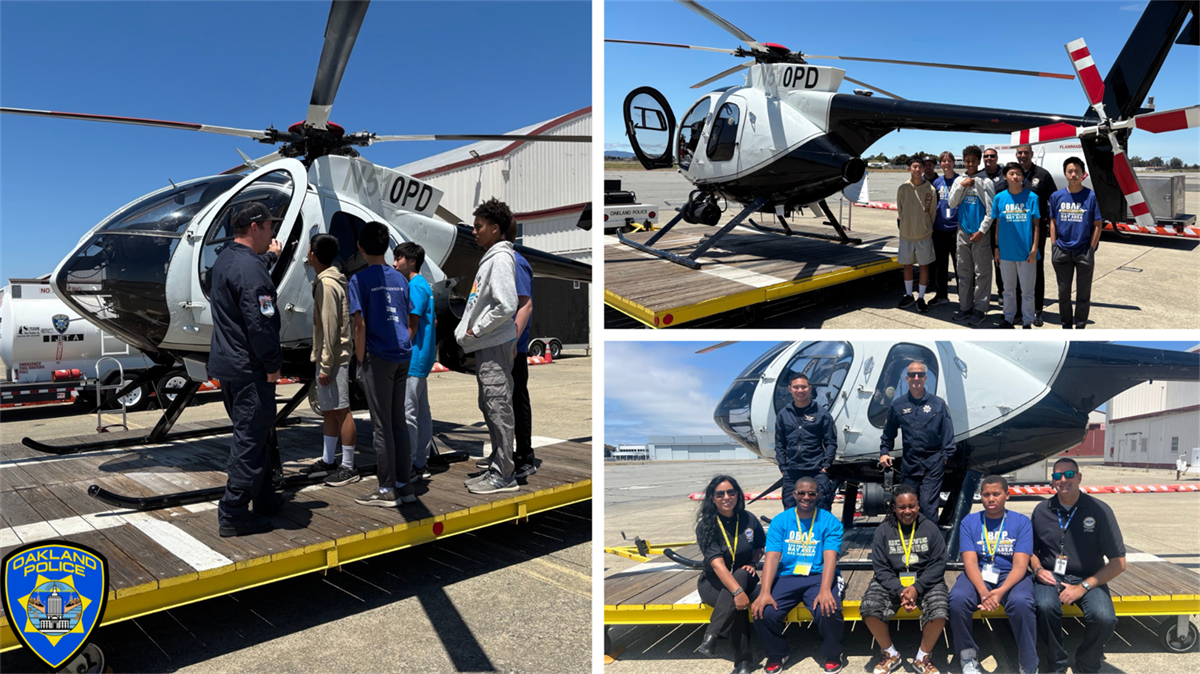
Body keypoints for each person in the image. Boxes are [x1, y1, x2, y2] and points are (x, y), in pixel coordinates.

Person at [208, 202, 284, 537]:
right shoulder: (251, 271)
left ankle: (264, 499)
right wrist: (272, 365)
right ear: (255, 227)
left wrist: (270, 258)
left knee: (257, 436)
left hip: (228, 366)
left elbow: (246, 275)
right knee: (251, 442)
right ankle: (234, 513)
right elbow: (261, 323)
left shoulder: (225, 259)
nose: (272, 233)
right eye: (269, 226)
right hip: (251, 367)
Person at [1031, 458, 1124, 674]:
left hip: (1089, 577)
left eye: (1069, 475)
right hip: (1051, 575)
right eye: (1057, 476)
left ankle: (1087, 662)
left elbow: (1119, 563)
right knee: (1044, 607)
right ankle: (1057, 662)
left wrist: (1083, 587)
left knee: (1104, 618)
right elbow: (1031, 553)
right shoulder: (1041, 511)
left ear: (1079, 477)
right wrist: (1038, 569)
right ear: (1052, 482)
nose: (1063, 480)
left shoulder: (1100, 511)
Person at [348, 221, 416, 507]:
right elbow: (409, 317)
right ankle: (405, 484)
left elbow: (359, 324)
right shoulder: (401, 278)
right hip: (402, 353)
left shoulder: (358, 280)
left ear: (360, 248)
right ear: (388, 246)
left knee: (381, 425)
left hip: (377, 357)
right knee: (397, 420)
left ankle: (387, 488)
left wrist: (361, 359)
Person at [458, 198, 521, 495]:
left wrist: (478, 328)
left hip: (493, 342)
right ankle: (498, 463)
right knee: (489, 404)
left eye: (478, 226)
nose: (474, 231)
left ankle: (504, 474)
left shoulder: (499, 259)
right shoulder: (492, 258)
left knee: (497, 405)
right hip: (489, 344)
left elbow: (508, 304)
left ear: (496, 229)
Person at [752, 477, 846, 674]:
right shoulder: (781, 521)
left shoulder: (829, 522)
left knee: (827, 608)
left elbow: (830, 557)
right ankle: (777, 653)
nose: (806, 497)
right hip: (787, 576)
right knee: (764, 611)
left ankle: (833, 653)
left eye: (811, 493)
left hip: (818, 576)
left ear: (818, 496)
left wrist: (825, 590)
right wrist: (765, 592)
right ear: (794, 494)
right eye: (801, 493)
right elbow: (772, 557)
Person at [949, 475, 1038, 674]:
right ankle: (968, 656)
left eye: (996, 494)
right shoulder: (969, 521)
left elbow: (1021, 565)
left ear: (1007, 494)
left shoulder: (1021, 522)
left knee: (1022, 602)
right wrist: (982, 590)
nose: (991, 498)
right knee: (957, 600)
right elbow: (970, 561)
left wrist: (999, 592)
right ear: (980, 496)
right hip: (979, 573)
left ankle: (1029, 664)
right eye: (986, 494)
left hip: (1010, 574)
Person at [861, 484, 949, 674]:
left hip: (925, 580)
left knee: (940, 608)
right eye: (902, 507)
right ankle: (890, 653)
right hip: (892, 580)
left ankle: (922, 658)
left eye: (912, 506)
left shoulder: (930, 528)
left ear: (918, 506)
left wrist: (917, 587)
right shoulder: (884, 530)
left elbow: (938, 564)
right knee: (869, 606)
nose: (907, 511)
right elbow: (881, 567)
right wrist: (899, 589)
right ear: (894, 507)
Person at [694, 475, 765, 674]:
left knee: (741, 574)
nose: (727, 497)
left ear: (737, 495)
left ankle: (712, 635)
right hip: (714, 582)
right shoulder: (706, 526)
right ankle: (743, 663)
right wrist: (737, 593)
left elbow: (759, 546)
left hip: (745, 575)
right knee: (737, 605)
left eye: (731, 492)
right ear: (712, 498)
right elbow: (717, 565)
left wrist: (752, 562)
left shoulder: (748, 518)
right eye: (720, 494)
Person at [303, 233, 359, 486]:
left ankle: (349, 466)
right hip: (331, 356)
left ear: (313, 254)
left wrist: (325, 364)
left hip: (333, 358)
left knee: (342, 411)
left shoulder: (326, 284)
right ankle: (328, 459)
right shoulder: (329, 280)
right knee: (329, 410)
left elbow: (329, 326)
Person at [879, 360, 955, 522]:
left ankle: (930, 543)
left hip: (933, 465)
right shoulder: (898, 405)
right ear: (906, 378)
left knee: (928, 506)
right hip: (910, 466)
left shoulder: (938, 404)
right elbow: (888, 433)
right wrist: (884, 452)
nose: (916, 378)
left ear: (925, 378)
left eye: (920, 374)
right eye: (912, 375)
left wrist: (944, 459)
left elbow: (948, 435)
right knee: (906, 505)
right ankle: (907, 539)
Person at [393, 242, 435, 483]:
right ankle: (420, 461)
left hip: (413, 357)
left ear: (412, 261)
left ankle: (408, 464)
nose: (395, 261)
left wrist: (401, 348)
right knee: (422, 412)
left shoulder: (416, 286)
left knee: (408, 413)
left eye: (399, 258)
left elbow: (413, 323)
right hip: (422, 356)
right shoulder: (424, 285)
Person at [1049, 157, 1103, 330]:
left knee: (1083, 294)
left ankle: (1080, 326)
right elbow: (1052, 222)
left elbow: (1098, 225)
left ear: (1083, 174)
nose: (1073, 175)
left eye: (1077, 171)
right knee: (1063, 293)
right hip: (1062, 251)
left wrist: (1091, 249)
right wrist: (1053, 244)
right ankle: (1066, 324)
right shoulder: (1057, 196)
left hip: (1083, 251)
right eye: (1070, 171)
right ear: (1065, 173)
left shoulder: (1092, 196)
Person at [774, 372, 838, 512]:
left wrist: (825, 466)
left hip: (816, 470)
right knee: (790, 512)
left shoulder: (822, 414)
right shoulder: (783, 415)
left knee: (822, 510)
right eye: (796, 387)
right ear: (790, 389)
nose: (800, 390)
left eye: (803, 387)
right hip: (791, 472)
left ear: (810, 388)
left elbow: (831, 442)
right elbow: (779, 443)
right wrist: (783, 468)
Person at [948, 145, 995, 326]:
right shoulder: (959, 180)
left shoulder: (986, 182)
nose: (970, 164)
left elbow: (991, 211)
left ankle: (980, 309)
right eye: (967, 161)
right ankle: (965, 307)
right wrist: (962, 186)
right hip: (963, 232)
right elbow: (952, 204)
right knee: (964, 272)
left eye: (974, 161)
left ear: (979, 162)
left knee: (982, 272)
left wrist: (982, 231)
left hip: (980, 234)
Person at [992, 162, 1040, 329]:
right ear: (1005, 176)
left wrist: (1034, 249)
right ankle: (1008, 319)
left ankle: (1027, 322)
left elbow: (1036, 225)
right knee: (1008, 290)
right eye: (1011, 174)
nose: (1015, 177)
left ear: (1023, 177)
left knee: (1027, 291)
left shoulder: (1032, 197)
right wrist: (996, 247)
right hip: (1005, 252)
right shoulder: (999, 198)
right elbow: (997, 224)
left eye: (1018, 174)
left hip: (1026, 252)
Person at [1016, 144, 1059, 327]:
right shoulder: (1013, 173)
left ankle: (1036, 310)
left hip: (1035, 232)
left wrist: (1052, 224)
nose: (1023, 155)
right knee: (1017, 271)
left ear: (1032, 154)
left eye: (1026, 152)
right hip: (1015, 231)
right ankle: (1019, 309)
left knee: (1036, 270)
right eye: (1020, 153)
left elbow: (1055, 199)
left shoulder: (1042, 175)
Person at [509, 222, 538, 478]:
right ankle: (508, 453)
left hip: (513, 348)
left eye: (478, 227)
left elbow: (524, 305)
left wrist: (512, 343)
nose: (474, 233)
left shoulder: (516, 263)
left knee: (517, 401)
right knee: (503, 403)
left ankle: (525, 456)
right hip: (503, 346)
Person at [896, 156, 938, 313]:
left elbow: (932, 213)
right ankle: (908, 294)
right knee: (907, 265)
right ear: (909, 168)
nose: (917, 170)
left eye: (920, 167)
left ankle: (921, 297)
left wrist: (925, 226)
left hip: (924, 235)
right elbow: (900, 210)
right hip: (906, 235)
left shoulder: (930, 190)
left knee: (924, 266)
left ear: (923, 169)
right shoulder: (903, 189)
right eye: (914, 167)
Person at [929, 151, 959, 306]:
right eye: (943, 161)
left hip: (956, 229)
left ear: (953, 163)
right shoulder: (937, 183)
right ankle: (941, 295)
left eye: (949, 161)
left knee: (959, 266)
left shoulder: (960, 181)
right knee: (941, 265)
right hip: (939, 229)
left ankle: (965, 298)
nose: (946, 164)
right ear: (940, 164)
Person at [982, 148, 1009, 304]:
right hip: (983, 227)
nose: (989, 158)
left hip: (1000, 227)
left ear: (997, 158)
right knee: (982, 263)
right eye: (986, 156)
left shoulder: (1005, 176)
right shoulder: (979, 176)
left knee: (1000, 262)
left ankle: (1002, 292)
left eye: (992, 156)